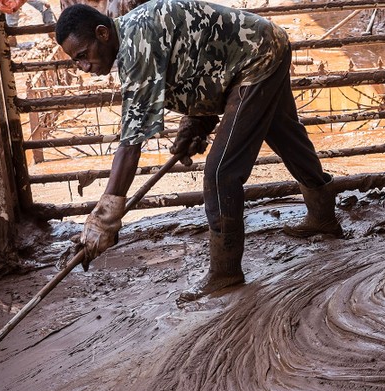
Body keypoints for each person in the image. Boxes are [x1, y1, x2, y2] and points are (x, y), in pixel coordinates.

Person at [54, 1, 343, 301]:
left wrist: (103, 219)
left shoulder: (137, 45)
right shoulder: (133, 35)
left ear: (102, 34)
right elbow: (197, 64)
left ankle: (225, 272)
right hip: (261, 47)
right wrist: (194, 125)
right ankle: (323, 215)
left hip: (256, 59)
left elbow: (131, 145)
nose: (84, 68)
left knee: (220, 172)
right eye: (76, 62)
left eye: (83, 56)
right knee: (285, 133)